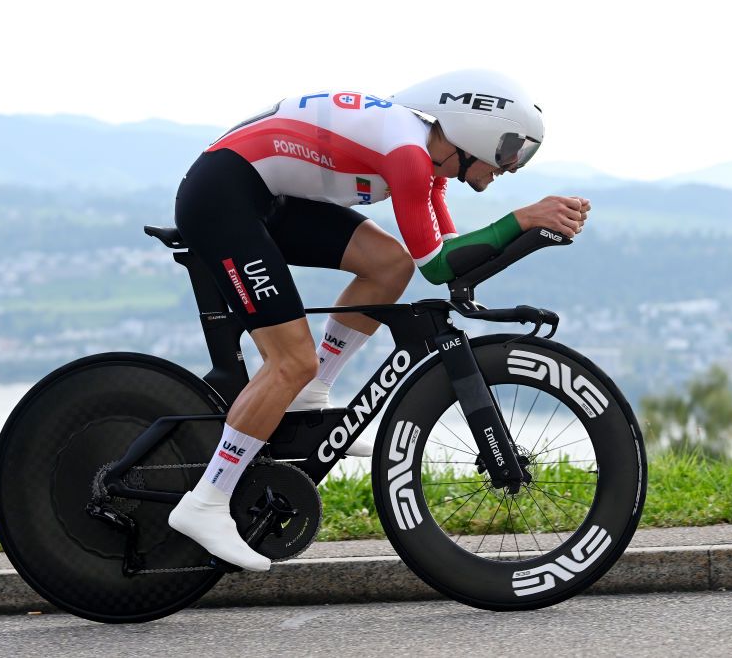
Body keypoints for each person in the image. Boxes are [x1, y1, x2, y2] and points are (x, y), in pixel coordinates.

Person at [167, 70, 591, 572]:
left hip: (263, 195)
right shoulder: (410, 157)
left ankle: (310, 393)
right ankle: (207, 501)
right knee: (290, 361)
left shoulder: (430, 163)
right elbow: (438, 265)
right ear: (474, 133)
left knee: (389, 265)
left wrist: (529, 232)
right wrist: (522, 218)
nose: (512, 166)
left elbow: (448, 255)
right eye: (510, 150)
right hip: (222, 198)